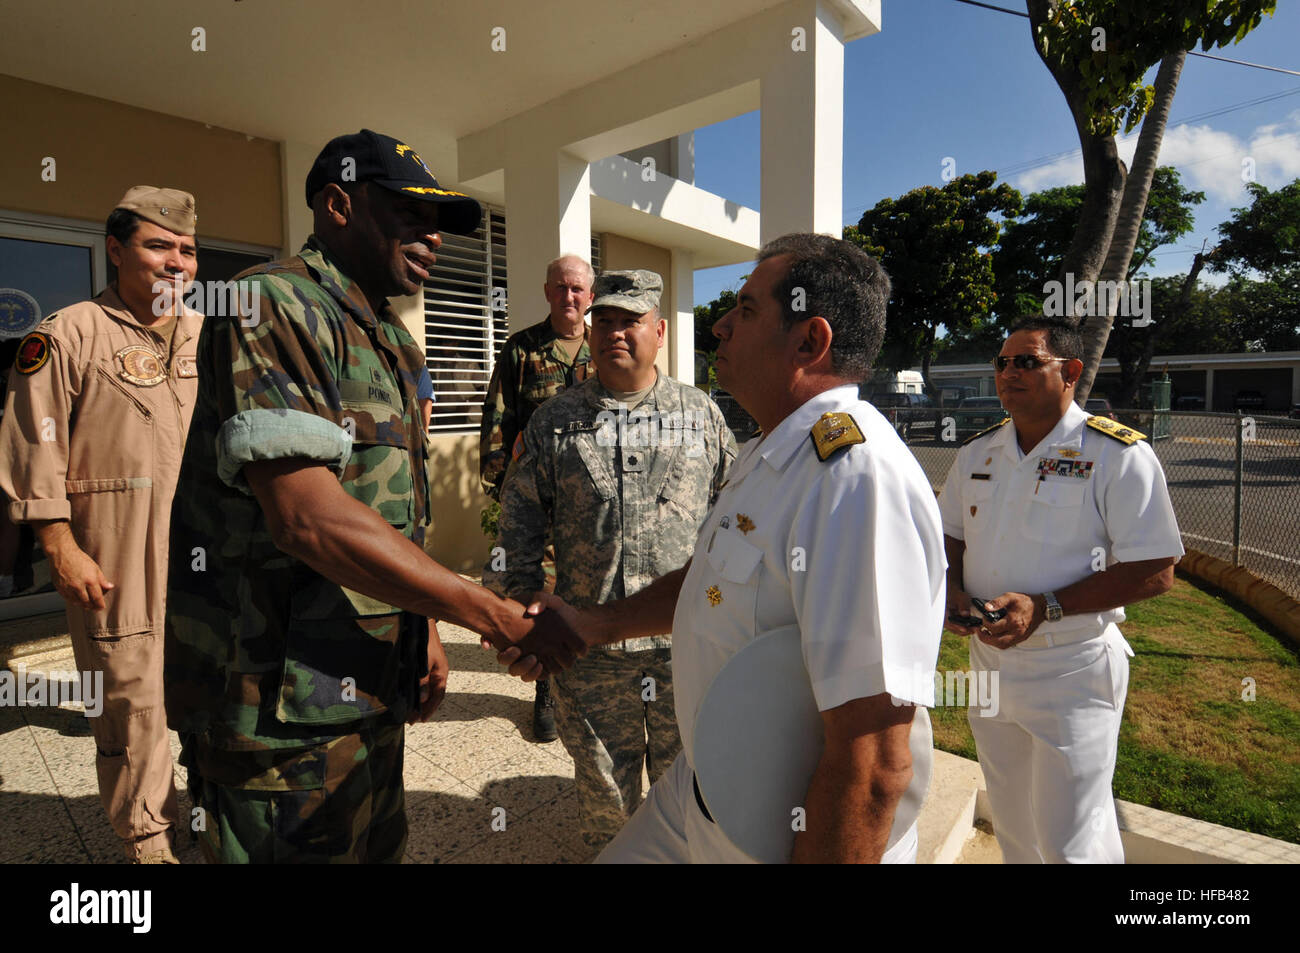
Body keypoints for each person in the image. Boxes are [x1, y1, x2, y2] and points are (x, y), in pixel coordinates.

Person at [164, 129, 585, 864]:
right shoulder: (272, 305)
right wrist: (486, 612)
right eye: (407, 215)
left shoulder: (391, 340)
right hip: (274, 704)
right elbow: (306, 517)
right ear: (337, 204)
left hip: (361, 683)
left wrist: (420, 630)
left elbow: (397, 507)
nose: (432, 238)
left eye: (442, 225)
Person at [494, 233, 947, 863]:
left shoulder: (853, 479)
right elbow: (710, 577)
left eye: (747, 311)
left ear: (809, 342)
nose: (721, 327)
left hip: (771, 830)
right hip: (708, 785)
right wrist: (591, 624)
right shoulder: (772, 452)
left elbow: (874, 760)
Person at [485, 269, 735, 851]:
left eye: (631, 321)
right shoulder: (554, 421)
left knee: (692, 789)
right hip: (588, 651)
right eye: (605, 320)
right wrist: (519, 617)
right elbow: (516, 527)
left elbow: (739, 519)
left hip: (687, 645)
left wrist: (737, 610)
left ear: (661, 331)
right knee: (606, 800)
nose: (615, 332)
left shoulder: (700, 415)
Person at [0, 186, 204, 863]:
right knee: (130, 708)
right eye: (158, 245)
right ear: (115, 249)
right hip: (115, 564)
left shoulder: (210, 336)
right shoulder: (66, 334)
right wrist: (59, 544)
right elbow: (35, 445)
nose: (177, 262)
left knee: (208, 698)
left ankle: (210, 823)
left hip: (205, 562)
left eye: (188, 249)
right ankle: (151, 846)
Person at [937, 317, 1182, 863]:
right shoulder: (977, 453)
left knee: (1072, 837)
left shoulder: (1116, 454)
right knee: (1015, 826)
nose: (1008, 374)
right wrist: (952, 589)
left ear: (1071, 371)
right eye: (1001, 363)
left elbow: (1156, 568)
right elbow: (949, 535)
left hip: (1072, 670)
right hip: (990, 666)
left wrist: (1047, 607)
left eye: (1026, 361)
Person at [479, 254, 595, 743]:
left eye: (578, 290)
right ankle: (545, 687)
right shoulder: (522, 348)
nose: (569, 298)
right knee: (540, 594)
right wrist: (501, 486)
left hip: (594, 496)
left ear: (589, 297)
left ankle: (590, 679)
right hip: (539, 495)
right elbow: (498, 419)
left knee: (590, 584)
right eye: (561, 288)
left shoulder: (606, 349)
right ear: (547, 292)